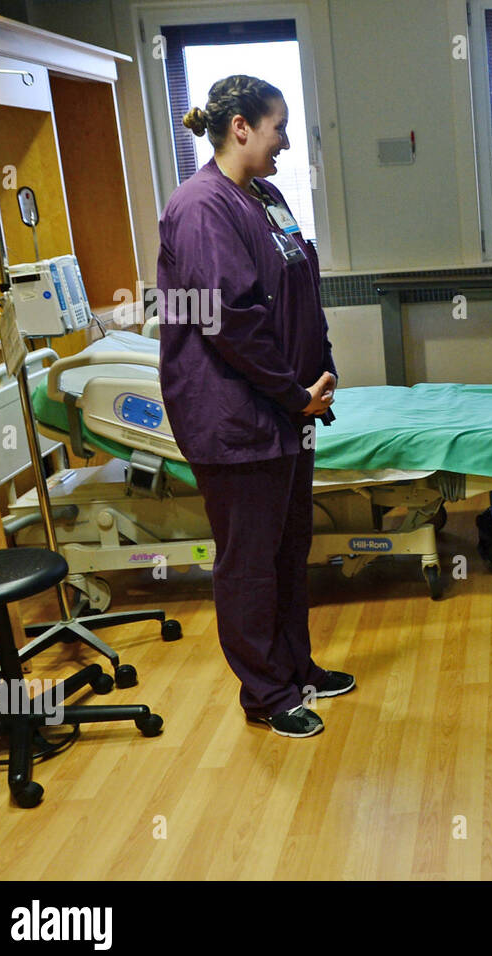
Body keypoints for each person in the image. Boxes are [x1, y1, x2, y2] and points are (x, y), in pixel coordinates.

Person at [158, 75, 354, 738]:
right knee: (248, 561)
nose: (288, 142)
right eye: (278, 127)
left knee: (287, 549)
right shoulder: (199, 208)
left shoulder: (266, 197)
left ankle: (296, 670)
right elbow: (232, 320)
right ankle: (265, 693)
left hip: (286, 409)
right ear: (240, 126)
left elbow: (302, 288)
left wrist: (318, 379)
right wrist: (292, 392)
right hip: (235, 417)